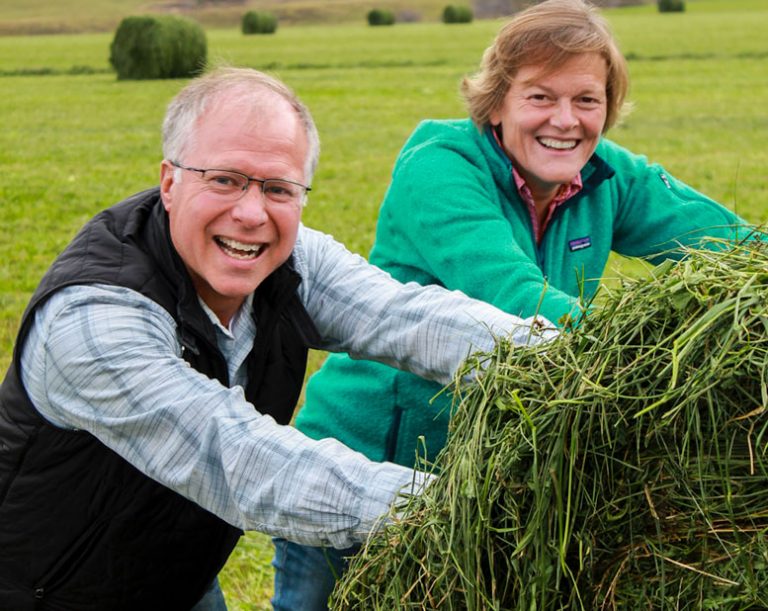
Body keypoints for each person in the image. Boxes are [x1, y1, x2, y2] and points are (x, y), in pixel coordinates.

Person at [0, 66, 556, 611]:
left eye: (277, 188)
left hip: (174, 573)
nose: (251, 212)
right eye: (225, 179)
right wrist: (461, 508)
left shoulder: (290, 260)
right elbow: (242, 461)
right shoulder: (93, 321)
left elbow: (407, 317)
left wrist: (567, 363)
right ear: (170, 182)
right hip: (45, 591)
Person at [277, 0, 753, 607]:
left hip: (490, 485)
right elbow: (512, 296)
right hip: (364, 465)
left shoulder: (608, 177)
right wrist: (652, 362)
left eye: (587, 99)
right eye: (540, 97)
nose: (566, 120)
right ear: (497, 102)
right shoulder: (440, 166)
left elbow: (733, 246)